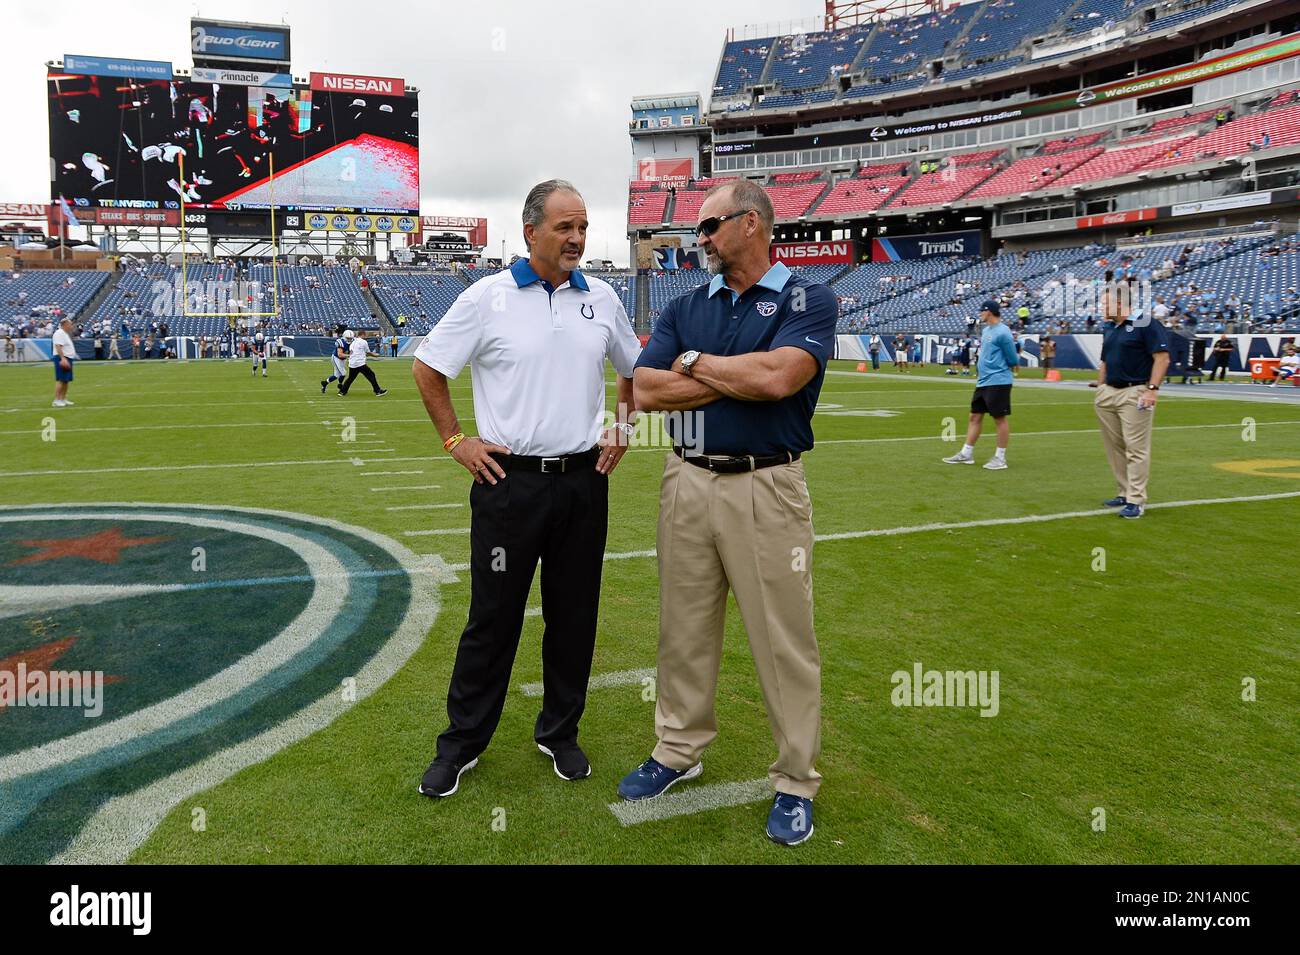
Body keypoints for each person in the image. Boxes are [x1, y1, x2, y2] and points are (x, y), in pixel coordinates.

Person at [617, 178, 837, 847]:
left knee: (783, 638)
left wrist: (697, 365)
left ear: (751, 222)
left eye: (710, 227)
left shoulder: (808, 296)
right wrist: (733, 373)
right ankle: (677, 748)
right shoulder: (688, 303)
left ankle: (796, 778)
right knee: (682, 628)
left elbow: (779, 381)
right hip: (685, 480)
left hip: (764, 486)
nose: (701, 239)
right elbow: (648, 390)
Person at [413, 180, 639, 798]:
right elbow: (429, 368)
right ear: (531, 230)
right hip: (508, 486)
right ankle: (460, 744)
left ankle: (559, 732)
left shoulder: (604, 298)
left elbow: (633, 368)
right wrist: (457, 440)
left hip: (584, 482)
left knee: (574, 615)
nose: (577, 239)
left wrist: (624, 425)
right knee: (492, 618)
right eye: (565, 227)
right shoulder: (487, 297)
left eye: (584, 227)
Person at [1092, 279, 1170, 519]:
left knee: (1136, 448)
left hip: (1135, 391)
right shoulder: (1111, 328)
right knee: (1115, 447)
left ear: (1118, 303)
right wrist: (1101, 386)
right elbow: (1105, 360)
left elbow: (1162, 358)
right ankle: (1124, 492)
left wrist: (1152, 389)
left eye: (1104, 303)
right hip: (1109, 393)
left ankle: (1136, 499)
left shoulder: (1146, 323)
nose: (1100, 308)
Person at [943, 302, 1017, 470]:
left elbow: (1013, 359)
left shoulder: (1003, 332)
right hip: (984, 381)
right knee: (974, 417)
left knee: (999, 418)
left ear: (989, 312)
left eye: (982, 311)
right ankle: (966, 453)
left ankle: (1000, 458)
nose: (980, 314)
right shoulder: (986, 331)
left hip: (998, 380)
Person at [338, 330, 388, 396]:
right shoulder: (363, 342)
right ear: (363, 334)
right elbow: (368, 352)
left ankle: (342, 392)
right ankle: (377, 391)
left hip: (352, 363)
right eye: (365, 335)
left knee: (350, 378)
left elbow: (357, 352)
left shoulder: (353, 342)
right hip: (360, 363)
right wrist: (376, 355)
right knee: (371, 375)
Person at [51, 318, 76, 408]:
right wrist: (62, 358)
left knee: (66, 380)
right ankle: (57, 400)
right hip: (62, 358)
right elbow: (58, 346)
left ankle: (63, 398)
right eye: (70, 324)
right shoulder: (59, 333)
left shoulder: (64, 334)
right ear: (65, 324)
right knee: (61, 379)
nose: (71, 326)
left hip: (67, 358)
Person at [321, 327, 350, 393]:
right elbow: (340, 354)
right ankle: (340, 386)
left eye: (350, 338)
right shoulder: (340, 342)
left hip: (343, 359)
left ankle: (324, 383)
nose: (350, 339)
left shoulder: (352, 342)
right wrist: (350, 355)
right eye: (348, 338)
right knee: (343, 373)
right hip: (336, 358)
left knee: (336, 375)